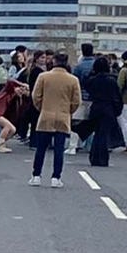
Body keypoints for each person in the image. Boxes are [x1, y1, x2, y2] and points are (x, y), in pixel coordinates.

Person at [29, 52, 81, 188]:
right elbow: (76, 101)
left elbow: (36, 96)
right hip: (63, 116)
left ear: (54, 61)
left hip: (46, 115)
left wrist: (42, 107)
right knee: (59, 149)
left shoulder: (43, 77)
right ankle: (56, 177)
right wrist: (68, 111)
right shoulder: (73, 80)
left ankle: (36, 176)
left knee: (41, 148)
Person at [85, 56, 123, 167]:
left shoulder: (92, 80)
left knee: (97, 133)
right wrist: (117, 110)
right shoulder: (112, 80)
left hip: (96, 107)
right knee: (104, 134)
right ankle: (102, 158)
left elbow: (87, 85)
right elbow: (117, 97)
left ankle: (94, 156)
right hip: (108, 109)